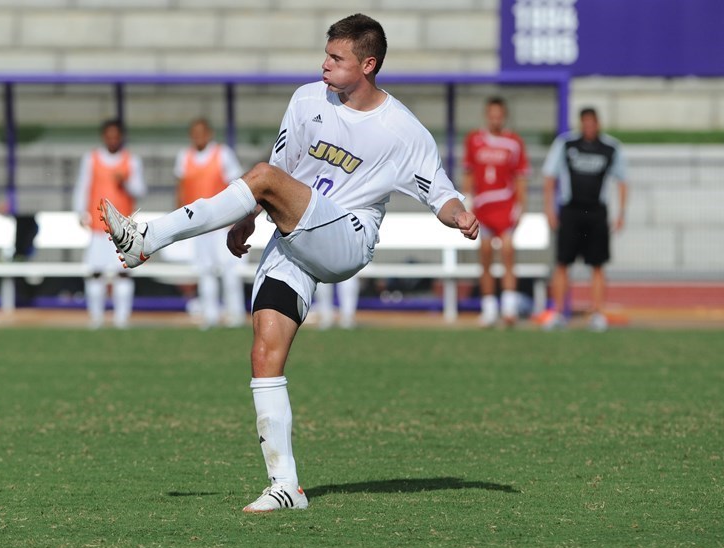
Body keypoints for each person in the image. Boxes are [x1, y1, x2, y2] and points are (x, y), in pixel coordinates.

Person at [100, 14, 478, 512]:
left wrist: (460, 217)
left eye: (336, 58)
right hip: (293, 235)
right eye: (325, 54)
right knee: (265, 352)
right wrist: (246, 217)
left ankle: (147, 237)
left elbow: (440, 192)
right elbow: (282, 172)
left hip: (346, 236)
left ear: (368, 65)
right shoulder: (306, 101)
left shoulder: (402, 130)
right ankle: (286, 486)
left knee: (258, 175)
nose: (324, 64)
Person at [541, 108, 628, 332]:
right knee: (563, 262)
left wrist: (621, 214)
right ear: (581, 124)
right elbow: (550, 176)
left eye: (593, 122)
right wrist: (549, 210)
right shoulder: (566, 144)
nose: (589, 126)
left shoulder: (610, 147)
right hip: (571, 210)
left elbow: (623, 181)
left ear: (598, 123)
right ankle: (559, 313)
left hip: (596, 212)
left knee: (597, 264)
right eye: (585, 122)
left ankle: (597, 313)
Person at [462, 96, 530, 327]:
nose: (495, 118)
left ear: (505, 116)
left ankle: (509, 308)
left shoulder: (514, 142)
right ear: (486, 115)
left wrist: (521, 207)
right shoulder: (475, 140)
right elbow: (469, 172)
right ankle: (489, 308)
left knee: (509, 253)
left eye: (499, 114)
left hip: (505, 205)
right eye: (492, 113)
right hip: (483, 206)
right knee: (486, 255)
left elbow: (520, 177)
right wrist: (467, 200)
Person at [72, 119, 146, 329]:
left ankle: (122, 319)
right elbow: (83, 185)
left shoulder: (131, 161)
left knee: (123, 272)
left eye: (116, 135)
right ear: (103, 136)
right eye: (109, 135)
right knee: (96, 271)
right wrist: (79, 211)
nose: (112, 139)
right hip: (98, 225)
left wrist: (126, 183)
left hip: (123, 228)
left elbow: (140, 190)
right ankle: (96, 318)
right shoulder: (92, 158)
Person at [174, 118, 246, 328]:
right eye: (194, 132)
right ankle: (210, 315)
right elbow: (180, 189)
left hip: (222, 224)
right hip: (198, 226)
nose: (198, 136)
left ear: (210, 133)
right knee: (205, 272)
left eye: (202, 132)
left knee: (229, 270)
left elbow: (236, 184)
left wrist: (235, 217)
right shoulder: (184, 157)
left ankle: (235, 315)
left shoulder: (223, 154)